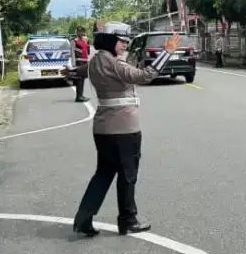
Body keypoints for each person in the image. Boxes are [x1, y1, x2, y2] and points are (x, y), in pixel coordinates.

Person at [65, 31, 180, 237]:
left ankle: (83, 218)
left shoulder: (94, 63)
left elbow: (78, 72)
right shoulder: (117, 66)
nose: (124, 45)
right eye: (120, 42)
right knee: (128, 175)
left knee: (103, 174)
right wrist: (167, 52)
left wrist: (69, 71)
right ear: (110, 43)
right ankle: (128, 220)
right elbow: (145, 75)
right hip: (125, 130)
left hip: (102, 129)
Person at [71, 26, 90, 103]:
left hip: (85, 61)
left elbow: (87, 51)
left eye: (82, 31)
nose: (81, 33)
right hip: (78, 62)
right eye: (79, 32)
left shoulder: (86, 40)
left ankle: (81, 95)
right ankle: (78, 96)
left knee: (83, 79)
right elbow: (72, 53)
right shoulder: (74, 41)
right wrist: (73, 64)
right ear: (76, 32)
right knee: (79, 79)